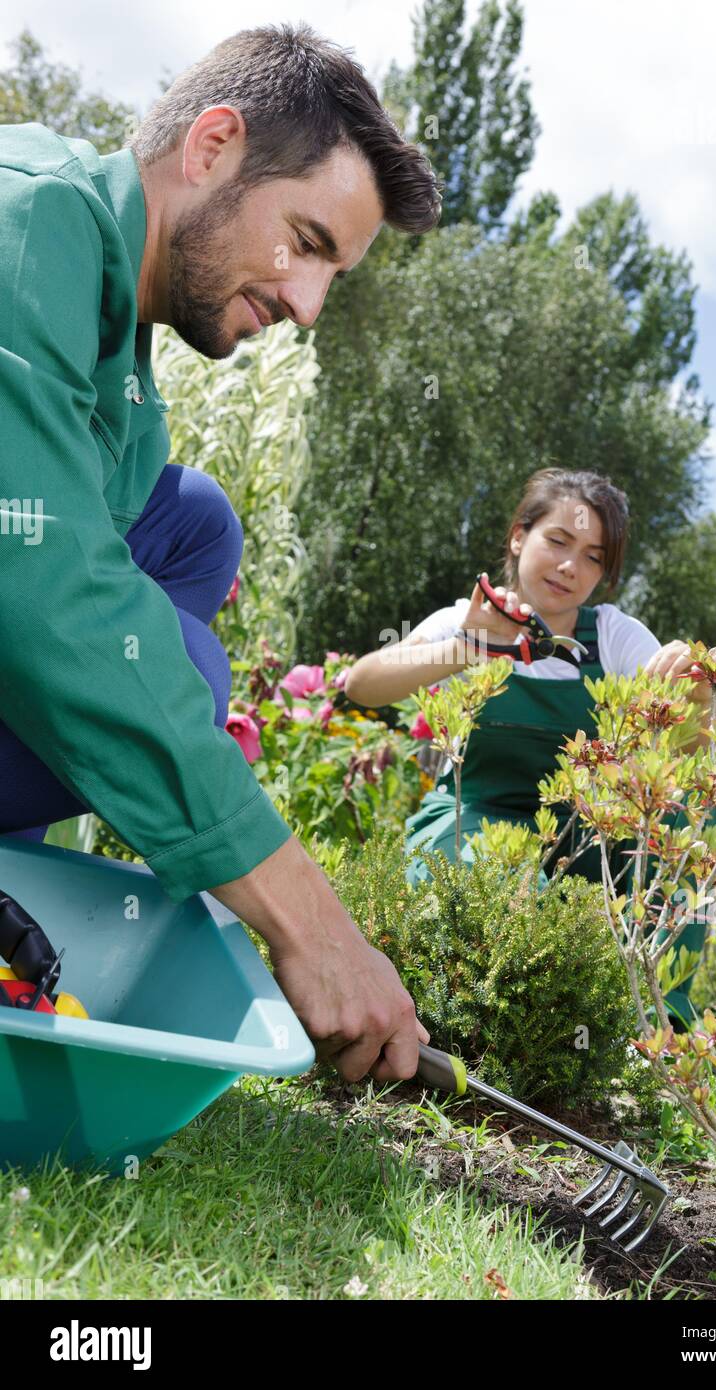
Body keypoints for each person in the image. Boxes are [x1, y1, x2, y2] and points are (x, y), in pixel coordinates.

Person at [0, 23, 443, 1084]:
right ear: (210, 147)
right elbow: (46, 585)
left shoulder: (128, 374)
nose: (305, 304)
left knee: (192, 519)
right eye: (305, 241)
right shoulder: (31, 221)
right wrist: (308, 920)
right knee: (183, 666)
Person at [345, 468, 716, 1027]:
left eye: (594, 557)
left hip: (587, 837)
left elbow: (693, 758)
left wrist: (697, 695)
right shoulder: (466, 620)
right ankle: (536, 1027)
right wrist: (474, 645)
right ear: (519, 538)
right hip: (470, 822)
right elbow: (362, 684)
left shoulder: (613, 636)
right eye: (558, 542)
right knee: (518, 895)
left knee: (689, 825)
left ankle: (658, 1029)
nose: (571, 567)